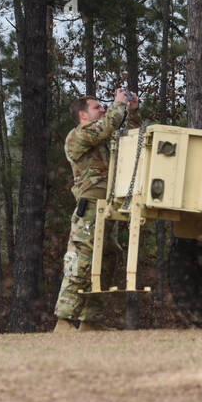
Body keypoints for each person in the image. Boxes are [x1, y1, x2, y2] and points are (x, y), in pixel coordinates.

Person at [54, 88, 139, 332]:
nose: (102, 109)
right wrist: (118, 105)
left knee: (106, 259)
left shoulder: (103, 134)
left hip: (108, 207)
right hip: (90, 206)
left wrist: (131, 113)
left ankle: (90, 322)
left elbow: (134, 139)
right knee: (81, 260)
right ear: (82, 115)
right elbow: (106, 126)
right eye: (96, 107)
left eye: (103, 107)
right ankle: (64, 320)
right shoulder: (78, 135)